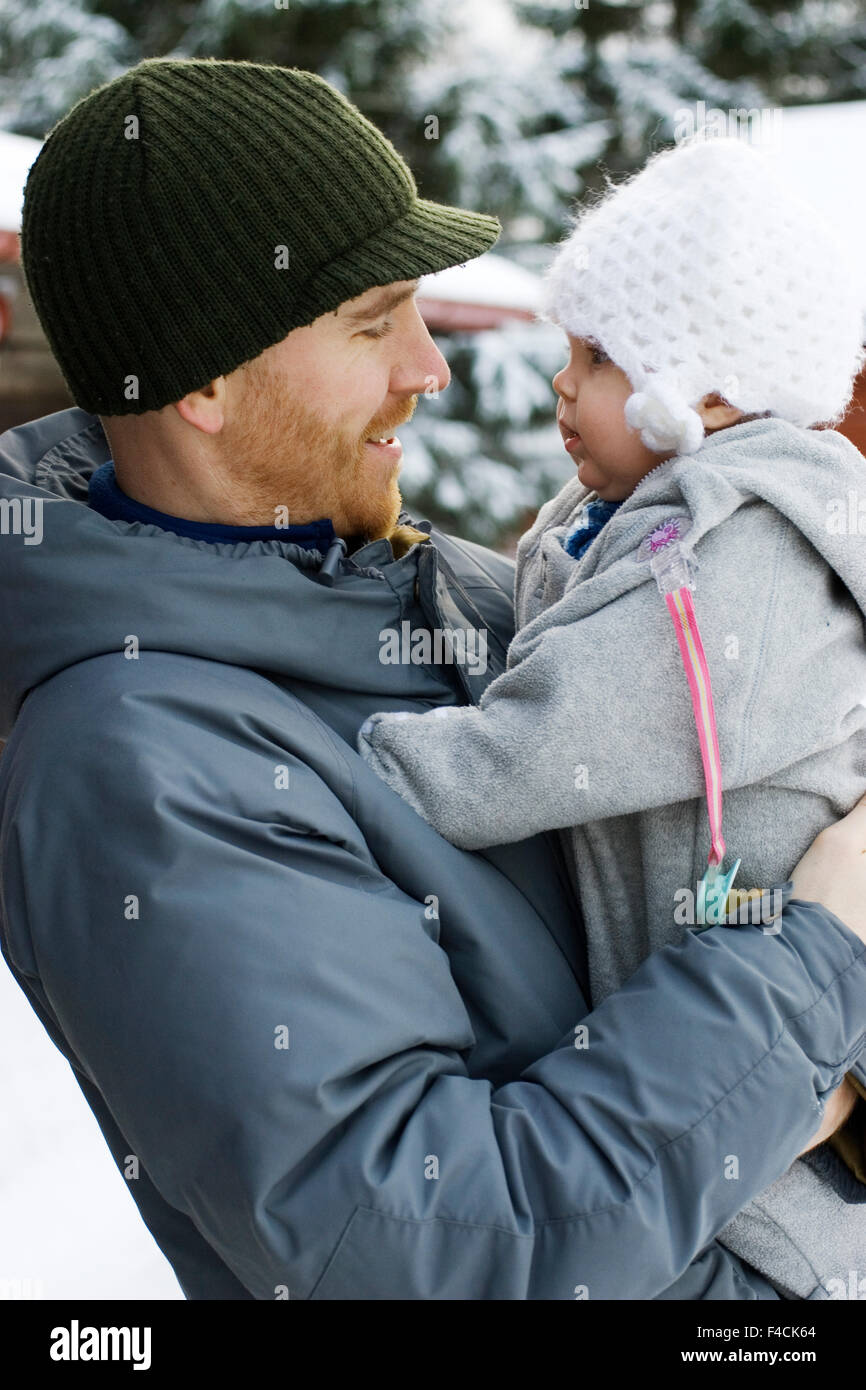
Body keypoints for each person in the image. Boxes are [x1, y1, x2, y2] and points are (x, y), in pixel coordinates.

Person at [0, 57, 863, 1302]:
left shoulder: (443, 589)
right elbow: (434, 1259)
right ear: (200, 383)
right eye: (372, 321)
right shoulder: (135, 769)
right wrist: (815, 970)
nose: (431, 365)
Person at [356, 137, 866, 1298]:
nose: (560, 385)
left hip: (775, 1035)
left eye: (596, 357)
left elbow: (552, 739)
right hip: (716, 1012)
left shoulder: (738, 548)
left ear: (712, 392)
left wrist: (364, 768)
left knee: (759, 1232)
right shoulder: (641, 510)